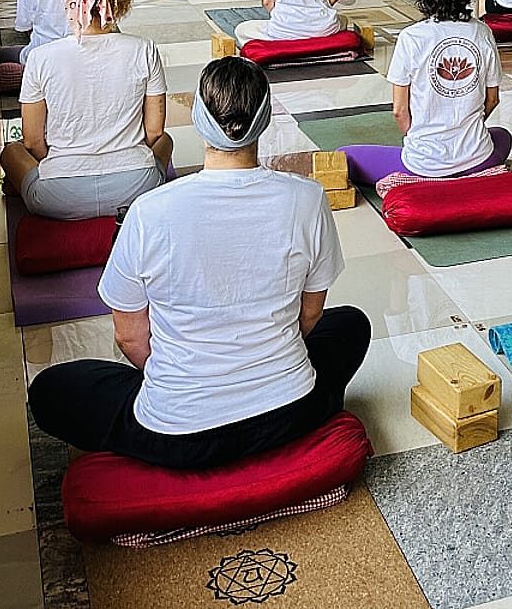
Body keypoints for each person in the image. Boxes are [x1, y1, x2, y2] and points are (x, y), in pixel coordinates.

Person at [27, 56, 371, 470]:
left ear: (198, 120)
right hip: (290, 411)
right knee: (351, 324)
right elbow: (309, 316)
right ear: (263, 120)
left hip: (180, 436)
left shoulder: (149, 211)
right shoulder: (308, 198)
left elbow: (129, 338)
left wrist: (187, 379)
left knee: (50, 390)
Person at [0, 0, 173, 221]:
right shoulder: (144, 49)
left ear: (71, 0)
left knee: (12, 151)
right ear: (120, 3)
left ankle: (25, 188)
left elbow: (33, 142)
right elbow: (154, 132)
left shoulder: (41, 57)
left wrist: (60, 165)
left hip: (57, 195)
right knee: (167, 140)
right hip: (139, 187)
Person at [338, 0, 512, 185]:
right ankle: (468, 173)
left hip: (424, 164)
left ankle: (428, 178)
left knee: (344, 155)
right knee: (502, 137)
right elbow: (492, 100)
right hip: (477, 159)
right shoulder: (483, 32)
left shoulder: (411, 37)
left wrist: (421, 141)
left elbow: (400, 111)